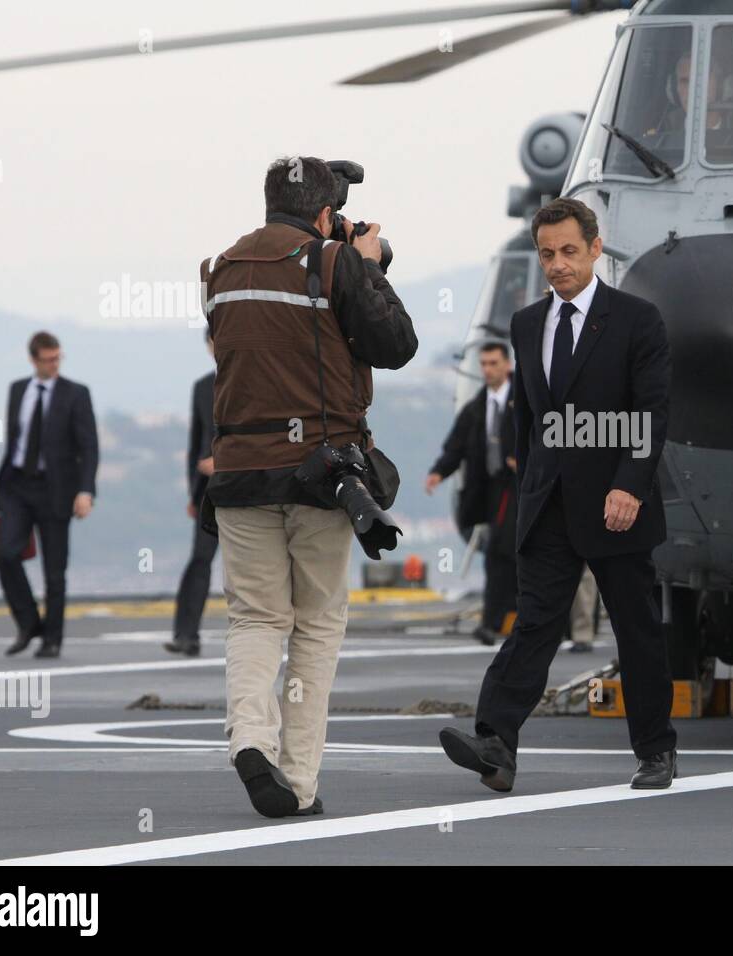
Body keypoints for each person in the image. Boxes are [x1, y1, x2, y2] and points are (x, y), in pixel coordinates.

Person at [201, 155, 417, 817]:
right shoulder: (333, 262)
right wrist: (369, 265)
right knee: (317, 626)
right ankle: (297, 782)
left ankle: (249, 739)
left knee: (256, 616)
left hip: (239, 471)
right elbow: (397, 344)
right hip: (322, 472)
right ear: (326, 214)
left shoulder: (222, 269)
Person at [438, 197, 677, 792]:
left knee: (636, 628)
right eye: (547, 253)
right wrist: (525, 493)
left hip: (617, 504)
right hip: (548, 505)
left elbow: (651, 412)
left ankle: (656, 751)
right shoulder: (525, 324)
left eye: (569, 251)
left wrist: (630, 486)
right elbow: (529, 422)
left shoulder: (636, 319)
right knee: (535, 625)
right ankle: (496, 744)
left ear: (596, 249)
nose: (557, 264)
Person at [0, 331, 98, 660]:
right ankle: (28, 622)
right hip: (18, 486)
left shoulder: (76, 394)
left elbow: (89, 447)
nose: (54, 364)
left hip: (57, 491)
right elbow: (16, 441)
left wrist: (85, 490)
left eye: (58, 358)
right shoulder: (18, 390)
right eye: (48, 359)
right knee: (5, 553)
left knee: (54, 570)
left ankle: (52, 638)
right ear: (33, 359)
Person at [426, 342, 518, 646]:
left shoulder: (526, 401)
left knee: (508, 552)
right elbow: (456, 445)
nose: (488, 369)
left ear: (507, 365)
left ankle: (499, 621)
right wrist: (439, 472)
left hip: (521, 487)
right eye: (484, 364)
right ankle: (496, 621)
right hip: (491, 489)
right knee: (498, 552)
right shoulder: (477, 408)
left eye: (493, 363)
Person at [164, 328, 218, 657]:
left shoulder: (252, 380)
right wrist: (191, 493)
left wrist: (223, 461)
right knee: (200, 560)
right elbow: (195, 443)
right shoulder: (201, 387)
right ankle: (186, 635)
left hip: (247, 488)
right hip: (207, 493)